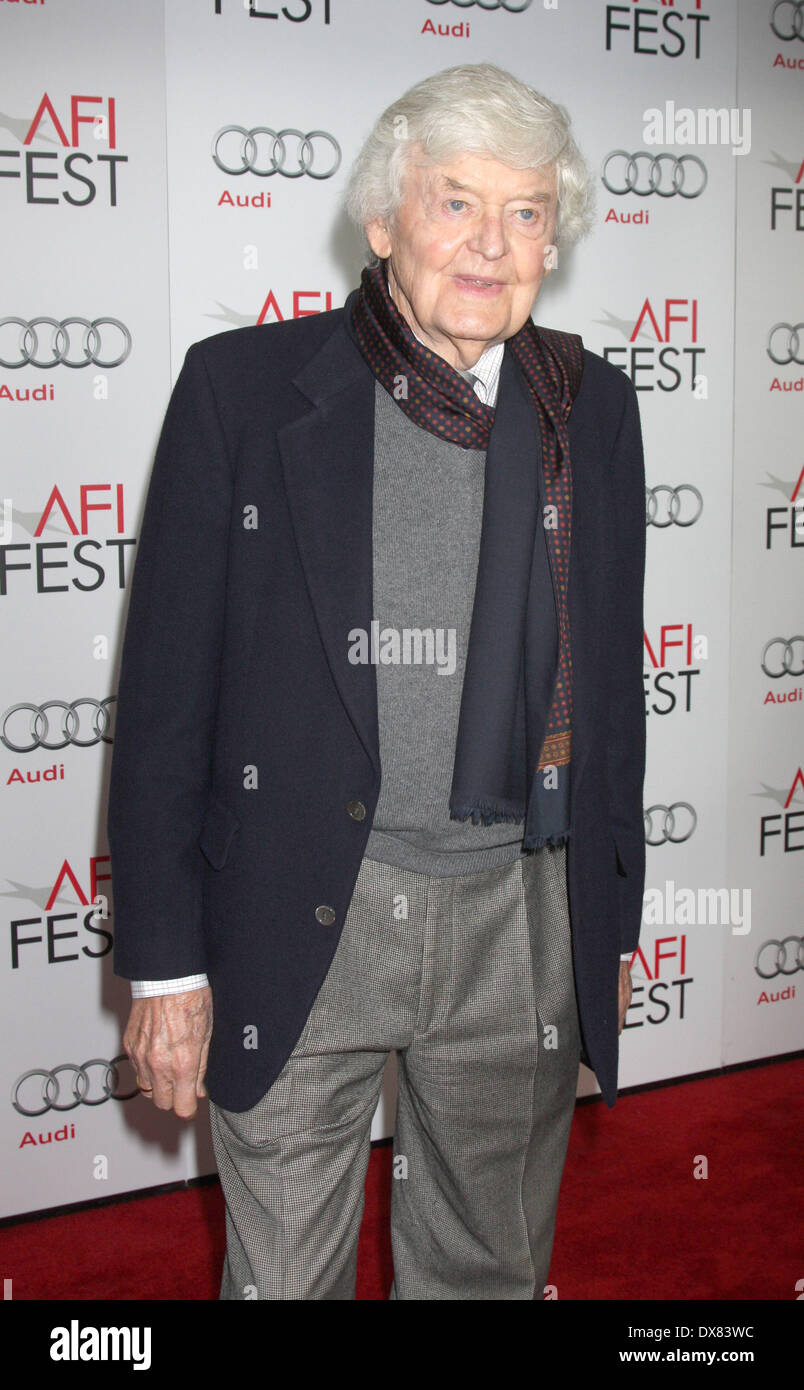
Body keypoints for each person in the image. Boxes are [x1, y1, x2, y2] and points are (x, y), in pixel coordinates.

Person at [107, 62, 646, 1301]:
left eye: (523, 213)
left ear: (551, 240)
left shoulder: (591, 412)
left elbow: (610, 698)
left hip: (521, 919)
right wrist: (168, 971)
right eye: (456, 202)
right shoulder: (239, 393)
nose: (490, 243)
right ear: (385, 217)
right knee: (279, 1280)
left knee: (486, 1272)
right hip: (303, 904)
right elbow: (166, 705)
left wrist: (602, 930)